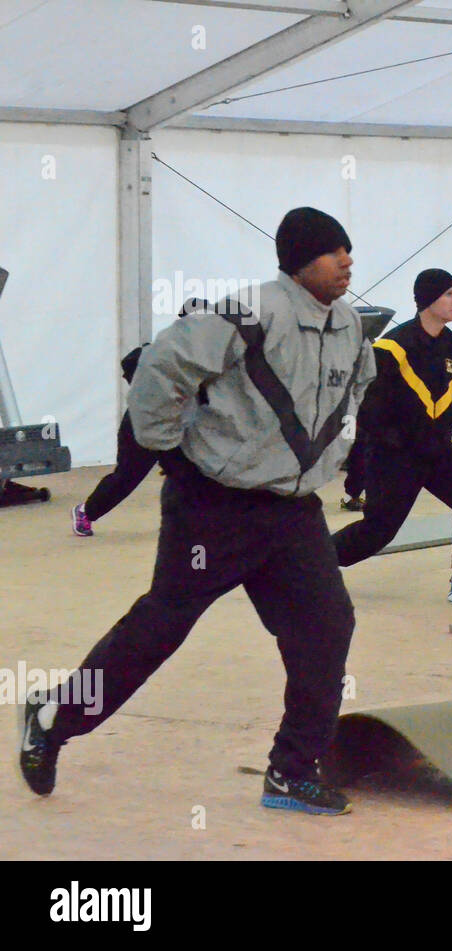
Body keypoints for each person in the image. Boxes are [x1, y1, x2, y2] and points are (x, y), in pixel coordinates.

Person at [20, 207, 376, 815]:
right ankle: (53, 718)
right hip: (213, 508)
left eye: (347, 249)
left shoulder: (348, 324)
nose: (346, 261)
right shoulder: (248, 312)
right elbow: (162, 367)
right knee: (160, 627)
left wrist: (329, 462)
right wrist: (170, 453)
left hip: (291, 512)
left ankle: (292, 771)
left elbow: (358, 389)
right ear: (297, 262)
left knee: (327, 624)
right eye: (331, 252)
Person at [331, 269, 452, 605]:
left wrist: (442, 433)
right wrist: (401, 441)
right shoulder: (392, 348)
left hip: (436, 450)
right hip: (394, 455)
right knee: (377, 531)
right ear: (429, 301)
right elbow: (367, 407)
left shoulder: (451, 345)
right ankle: (303, 564)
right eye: (450, 294)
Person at [71, 299, 206, 537]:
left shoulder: (210, 353)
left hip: (179, 424)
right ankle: (86, 511)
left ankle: (190, 522)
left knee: (196, 472)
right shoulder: (163, 349)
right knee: (127, 477)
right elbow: (131, 363)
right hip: (143, 422)